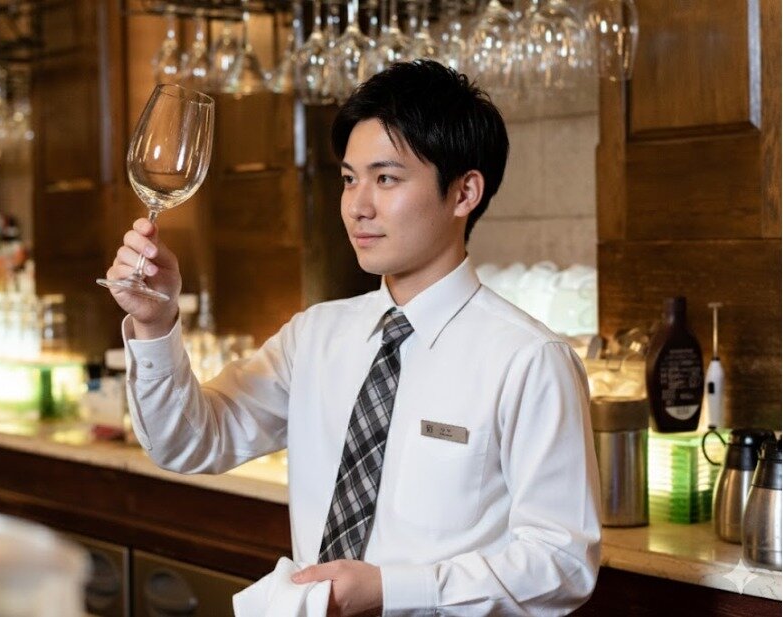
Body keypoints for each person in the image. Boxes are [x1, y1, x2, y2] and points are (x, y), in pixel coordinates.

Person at [107, 60, 602, 616]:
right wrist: (155, 324)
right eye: (349, 179)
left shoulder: (530, 360)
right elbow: (187, 441)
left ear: (464, 193)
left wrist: (391, 588)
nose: (357, 206)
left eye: (386, 179)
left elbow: (561, 563)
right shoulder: (315, 336)